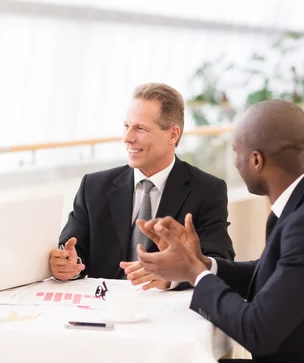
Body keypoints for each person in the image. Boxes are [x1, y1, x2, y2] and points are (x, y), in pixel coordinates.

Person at [136, 99, 304, 362]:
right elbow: (276, 272)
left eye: (235, 152)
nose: (234, 162)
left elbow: (257, 330)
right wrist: (204, 263)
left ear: (256, 160)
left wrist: (194, 273)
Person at [50, 83, 235, 289]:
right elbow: (70, 250)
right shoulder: (93, 186)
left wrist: (173, 277)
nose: (127, 138)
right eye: (126, 126)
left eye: (140, 128)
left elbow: (220, 260)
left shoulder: (207, 190)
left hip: (164, 309)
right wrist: (66, 264)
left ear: (172, 135)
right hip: (100, 306)